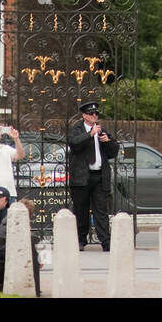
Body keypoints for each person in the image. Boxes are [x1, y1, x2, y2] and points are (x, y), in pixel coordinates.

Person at [68, 100, 118, 251]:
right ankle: (80, 240)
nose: (94, 116)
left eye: (96, 113)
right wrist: (90, 134)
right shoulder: (77, 129)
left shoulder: (102, 130)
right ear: (84, 115)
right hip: (82, 177)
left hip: (99, 176)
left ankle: (106, 241)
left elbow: (113, 152)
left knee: (101, 210)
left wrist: (107, 141)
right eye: (91, 113)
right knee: (81, 210)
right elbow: (74, 144)